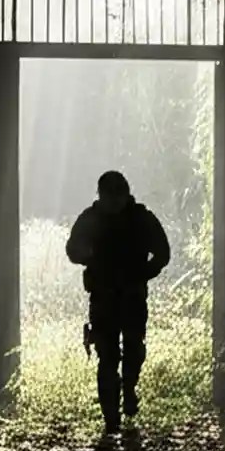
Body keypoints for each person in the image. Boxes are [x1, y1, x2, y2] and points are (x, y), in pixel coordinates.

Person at [66, 171, 170, 433]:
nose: (113, 202)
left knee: (133, 351)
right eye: (108, 196)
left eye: (117, 196)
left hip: (131, 296)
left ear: (125, 195)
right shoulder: (91, 219)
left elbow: (162, 252)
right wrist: (88, 256)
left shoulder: (140, 219)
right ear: (101, 195)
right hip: (104, 297)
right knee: (108, 357)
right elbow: (72, 250)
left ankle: (128, 389)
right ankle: (111, 418)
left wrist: (143, 274)